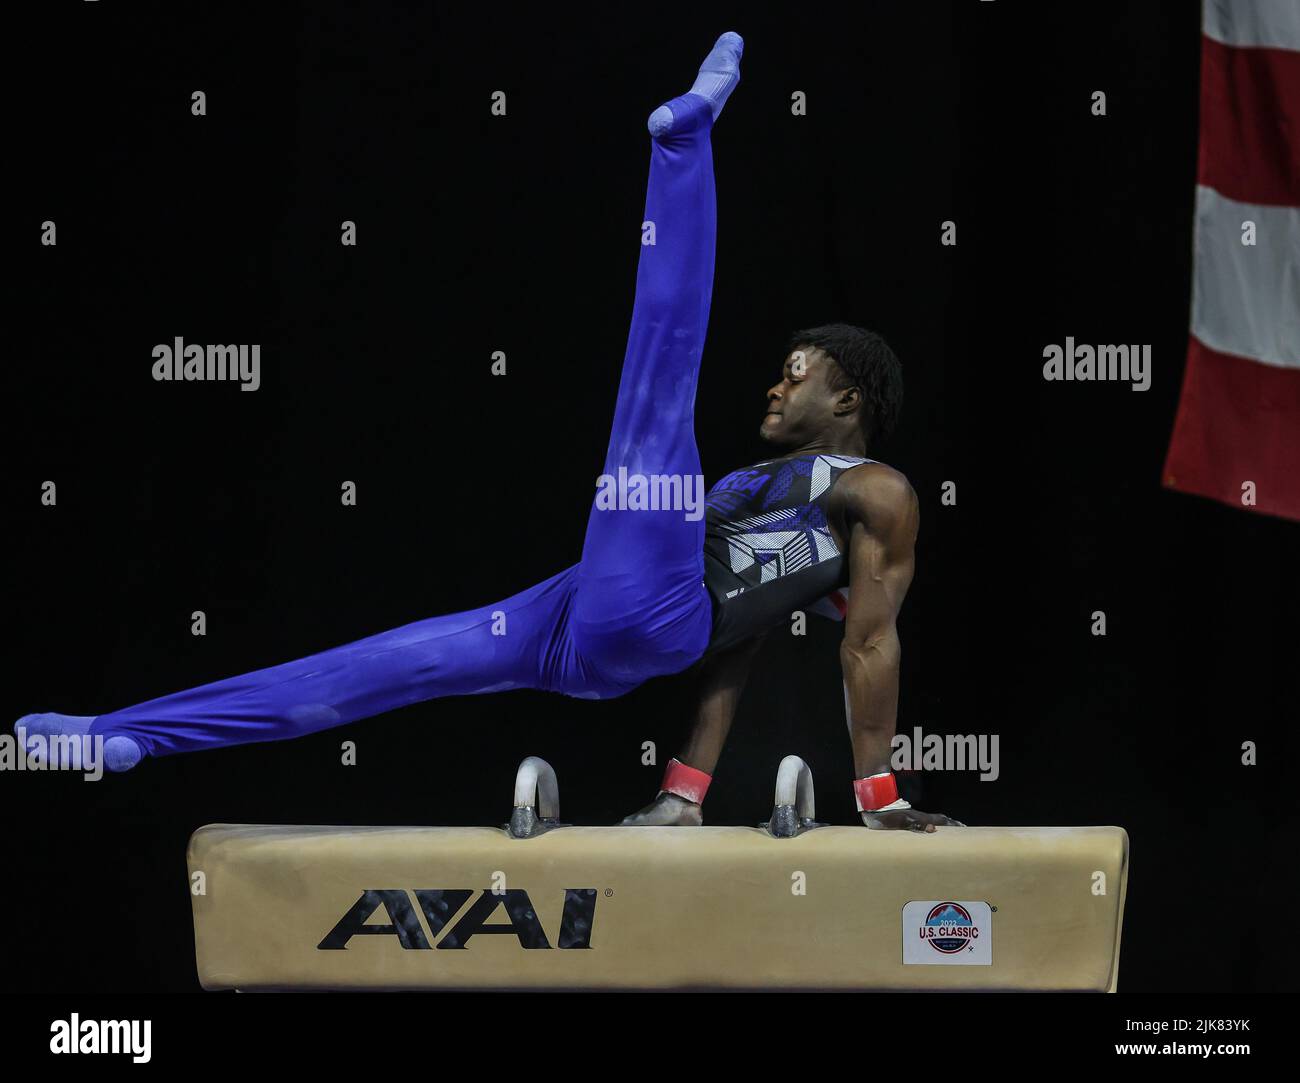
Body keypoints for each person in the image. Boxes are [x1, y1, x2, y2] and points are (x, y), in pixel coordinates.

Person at [16, 32, 959, 832]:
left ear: (849, 404)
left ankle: (683, 150)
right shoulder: (753, 490)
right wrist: (685, 792)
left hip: (655, 609)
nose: (774, 385)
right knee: (373, 668)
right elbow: (739, 645)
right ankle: (124, 733)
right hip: (582, 620)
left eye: (798, 376)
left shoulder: (876, 493)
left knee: (658, 390)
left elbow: (868, 646)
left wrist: (878, 796)